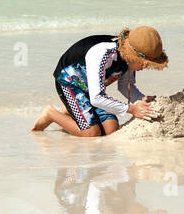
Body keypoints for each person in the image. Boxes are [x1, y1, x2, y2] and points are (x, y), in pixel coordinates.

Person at [30, 26, 167, 136]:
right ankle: (51, 114)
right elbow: (96, 98)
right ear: (134, 55)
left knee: (111, 129)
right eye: (144, 63)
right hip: (69, 82)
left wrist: (142, 99)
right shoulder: (104, 53)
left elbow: (125, 86)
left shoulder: (128, 59)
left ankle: (68, 112)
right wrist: (132, 109)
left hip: (92, 89)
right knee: (91, 132)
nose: (145, 67)